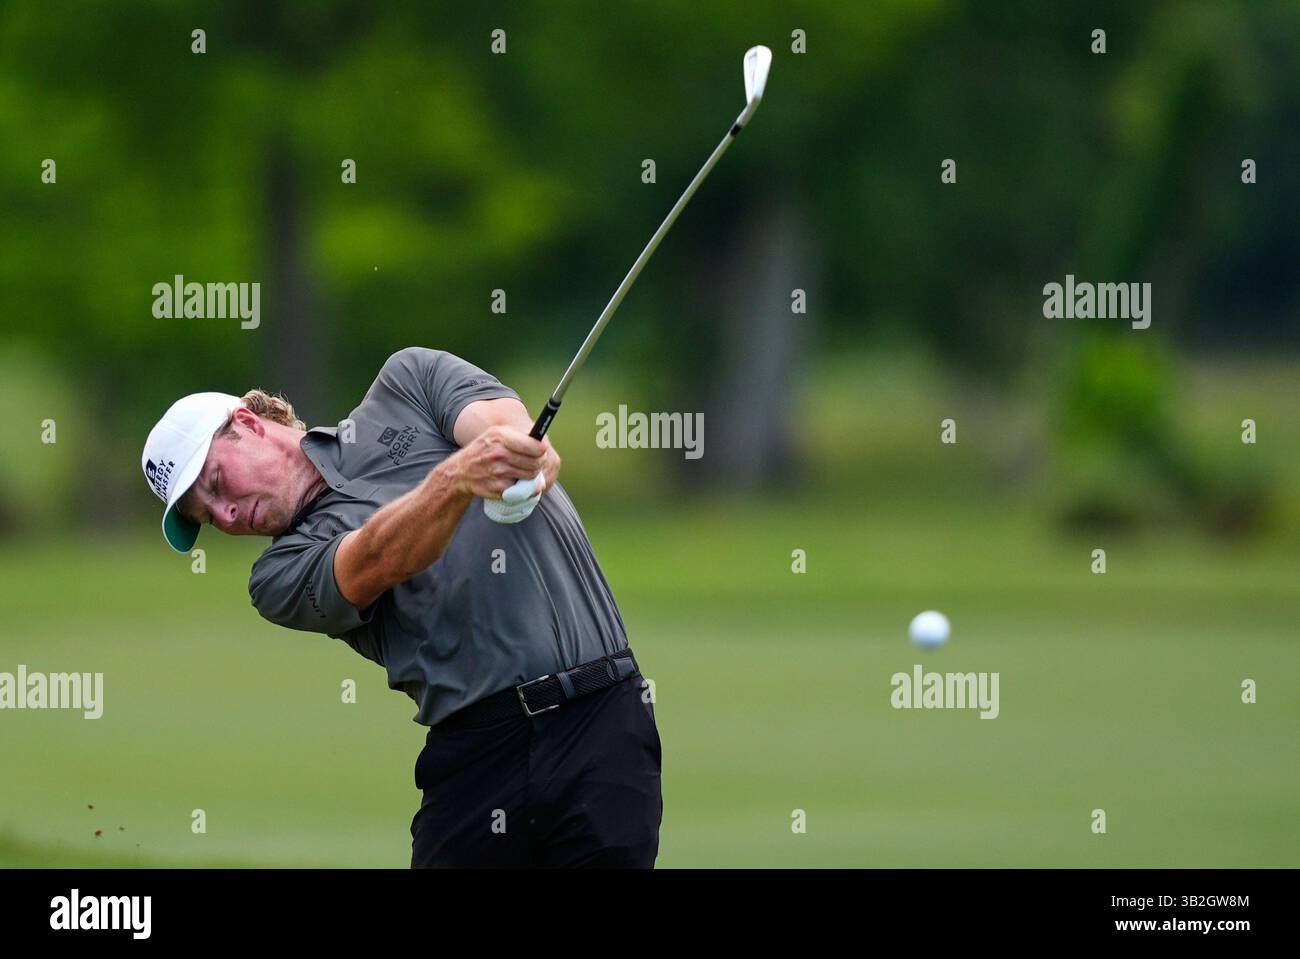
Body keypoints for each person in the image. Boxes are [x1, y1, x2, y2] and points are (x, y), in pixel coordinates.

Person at [140, 347, 662, 867]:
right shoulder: (277, 576)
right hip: (479, 759)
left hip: (604, 723)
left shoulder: (408, 381)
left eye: (214, 484)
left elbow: (502, 424)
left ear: (249, 425)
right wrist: (456, 478)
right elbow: (381, 559)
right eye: (208, 517)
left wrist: (523, 455)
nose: (226, 513)